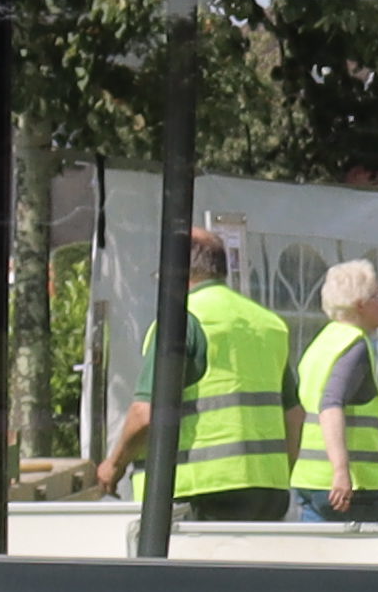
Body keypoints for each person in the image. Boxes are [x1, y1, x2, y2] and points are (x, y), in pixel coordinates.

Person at [115, 221, 294, 519]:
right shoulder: (268, 324)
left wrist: (115, 464)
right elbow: (294, 415)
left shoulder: (180, 320)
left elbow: (144, 415)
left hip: (198, 493)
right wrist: (274, 474)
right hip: (268, 491)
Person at [292, 252, 378, 524]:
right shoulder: (355, 345)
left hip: (309, 480)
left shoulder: (322, 343)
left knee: (320, 557)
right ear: (361, 304)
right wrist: (341, 471)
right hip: (350, 485)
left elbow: (357, 426)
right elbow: (331, 406)